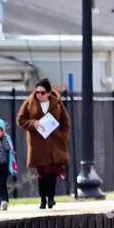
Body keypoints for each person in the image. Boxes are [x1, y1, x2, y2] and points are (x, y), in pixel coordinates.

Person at [16, 79, 71, 210]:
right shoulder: (29, 103)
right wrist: (33, 123)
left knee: (51, 172)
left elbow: (65, 121)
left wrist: (62, 136)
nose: (39, 95)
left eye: (42, 92)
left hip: (54, 144)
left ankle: (51, 198)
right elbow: (20, 120)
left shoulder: (57, 103)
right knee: (42, 173)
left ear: (48, 93)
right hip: (38, 145)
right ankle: (42, 199)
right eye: (37, 92)